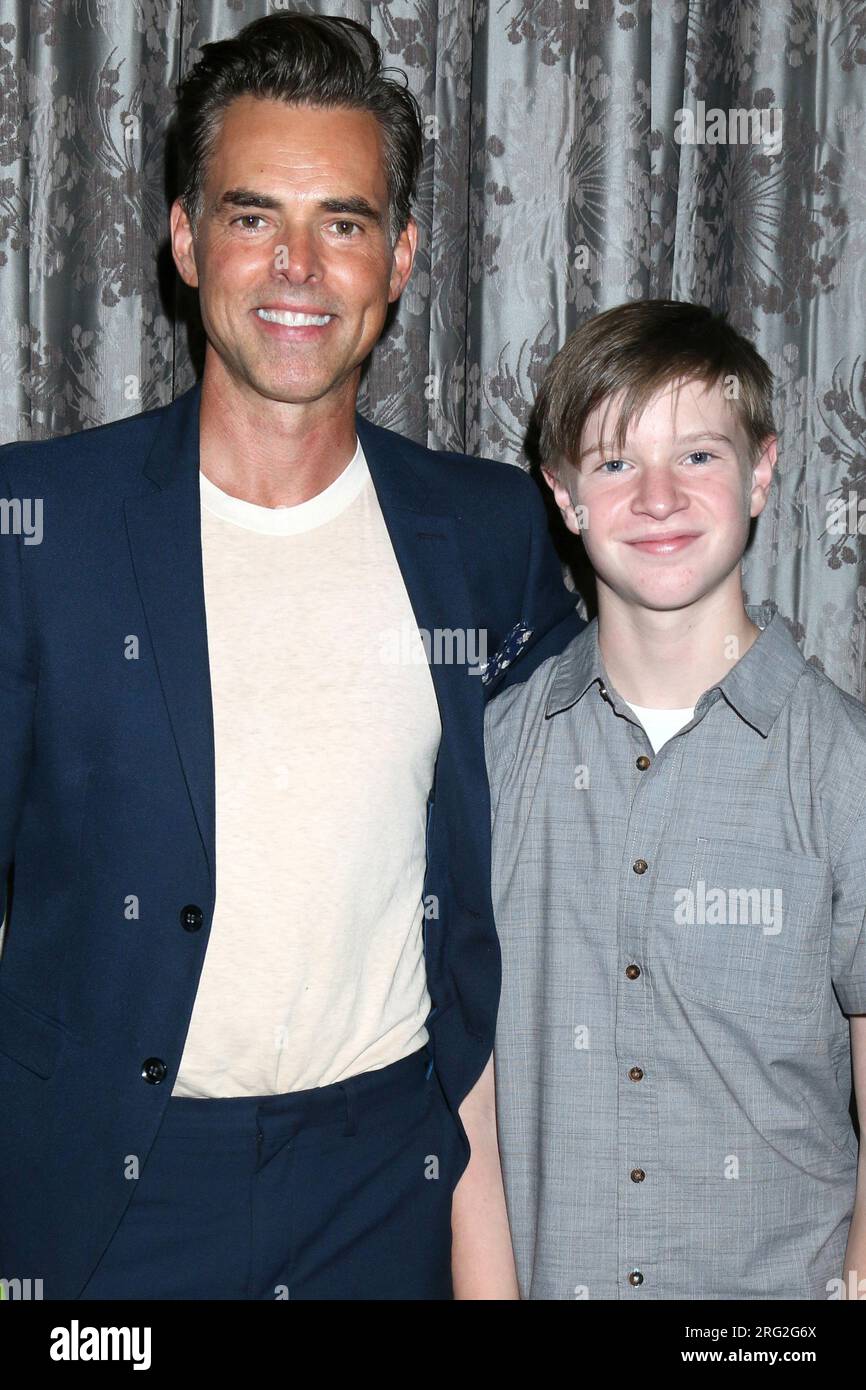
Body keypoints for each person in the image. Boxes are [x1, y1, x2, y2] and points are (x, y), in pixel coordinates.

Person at [0, 12, 582, 1301]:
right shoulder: (37, 527)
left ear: (401, 257)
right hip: (108, 1194)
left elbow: (593, 813)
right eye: (254, 215)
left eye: (345, 222)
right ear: (185, 237)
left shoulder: (488, 535)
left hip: (381, 1185)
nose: (297, 268)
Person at [485, 299, 866, 1299]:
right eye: (614, 463)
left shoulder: (842, 767)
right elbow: (466, 1096)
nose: (656, 496)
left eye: (696, 455)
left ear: (762, 470)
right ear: (562, 494)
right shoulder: (491, 759)